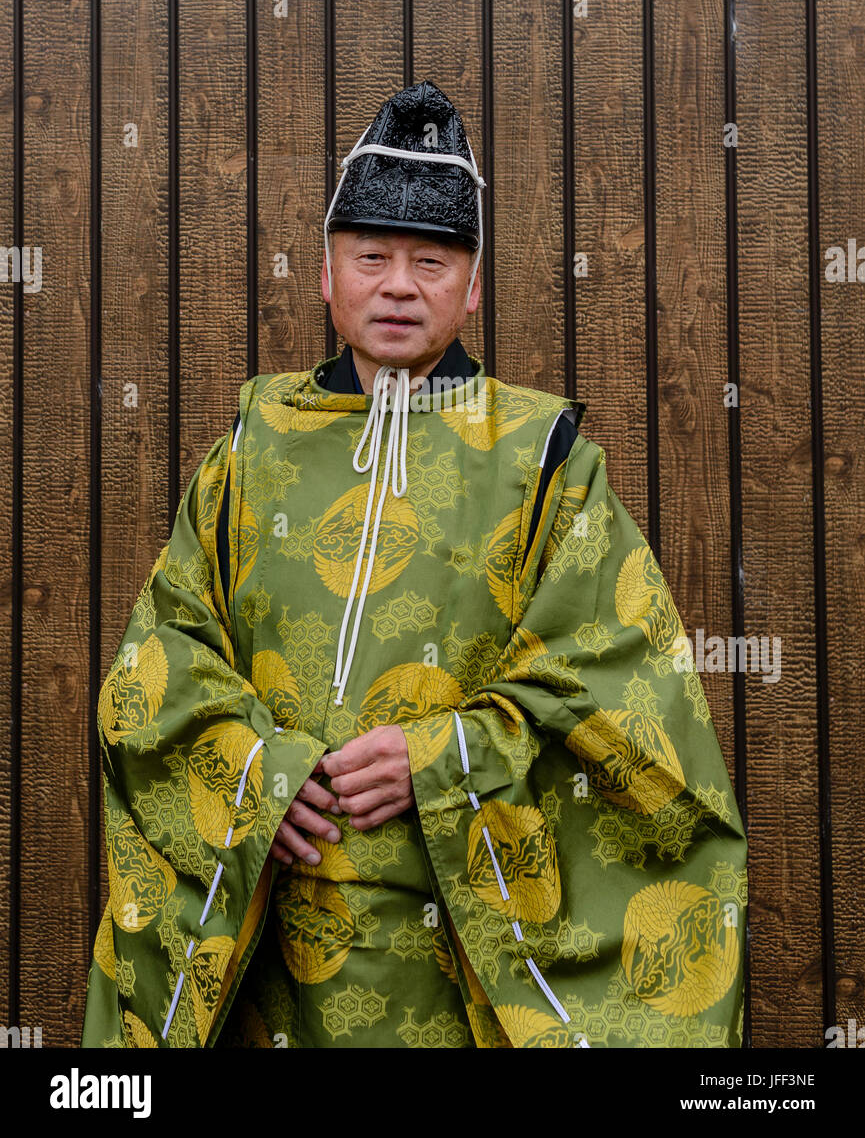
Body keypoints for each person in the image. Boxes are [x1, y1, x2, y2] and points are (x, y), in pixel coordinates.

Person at [81, 79, 748, 1049]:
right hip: (274, 954)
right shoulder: (253, 447)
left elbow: (625, 704)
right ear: (326, 275)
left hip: (468, 961)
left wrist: (445, 762)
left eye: (430, 261)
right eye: (371, 257)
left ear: (472, 287)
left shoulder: (544, 462)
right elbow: (157, 669)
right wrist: (258, 771)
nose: (398, 284)